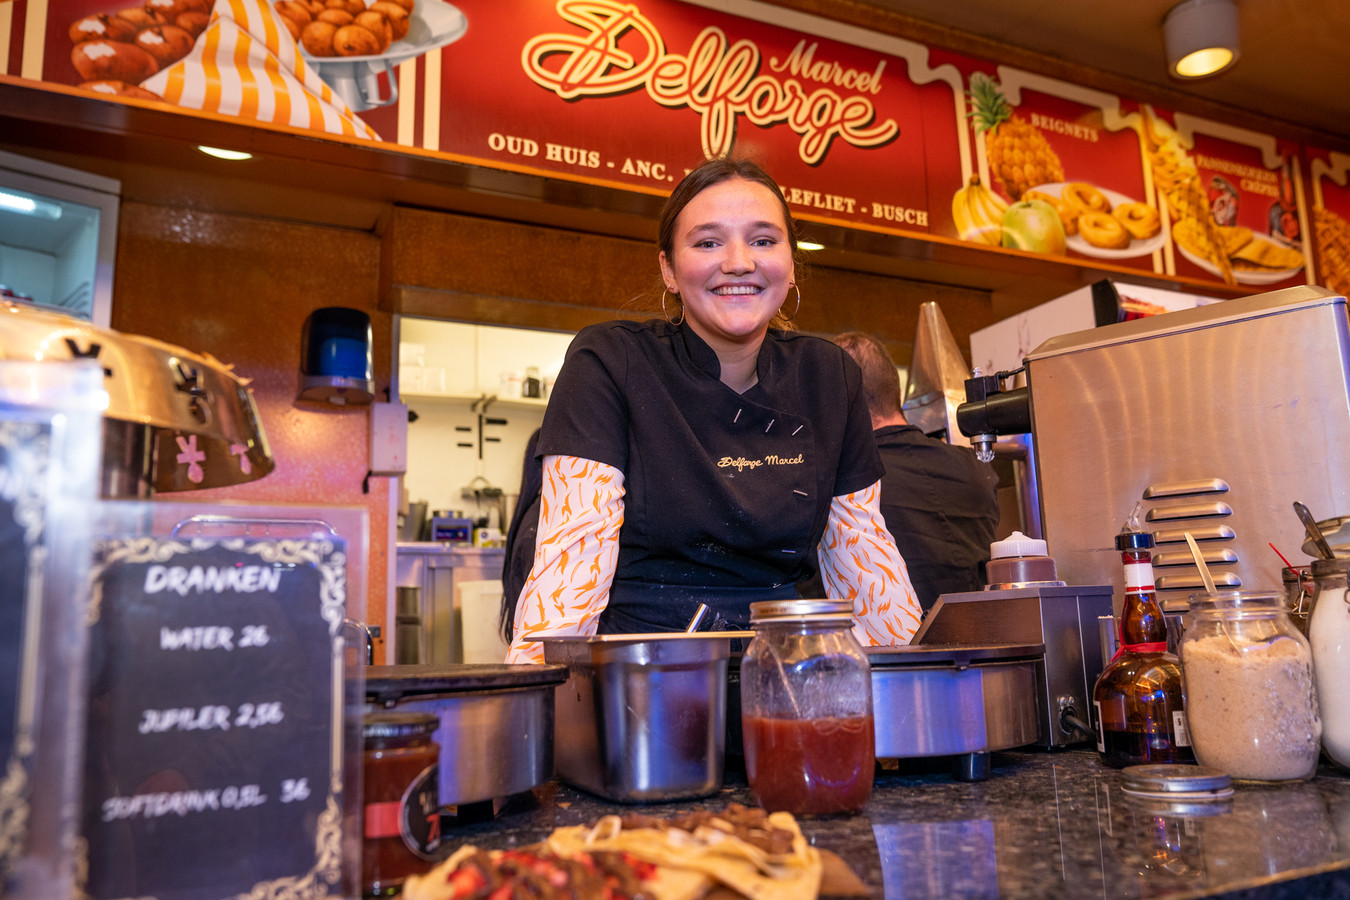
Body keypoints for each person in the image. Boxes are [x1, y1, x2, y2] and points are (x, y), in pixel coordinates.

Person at [504, 157, 922, 663]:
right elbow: (573, 559)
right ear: (669, 269)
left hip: (787, 670)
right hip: (643, 676)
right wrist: (551, 708)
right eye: (708, 242)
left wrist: (909, 682)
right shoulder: (611, 361)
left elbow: (863, 556)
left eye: (764, 240)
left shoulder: (829, 376)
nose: (739, 262)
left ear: (791, 265)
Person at [829, 331, 1001, 612]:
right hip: (982, 643)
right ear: (896, 391)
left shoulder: (846, 482)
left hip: (895, 651)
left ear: (835, 404)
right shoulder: (976, 468)